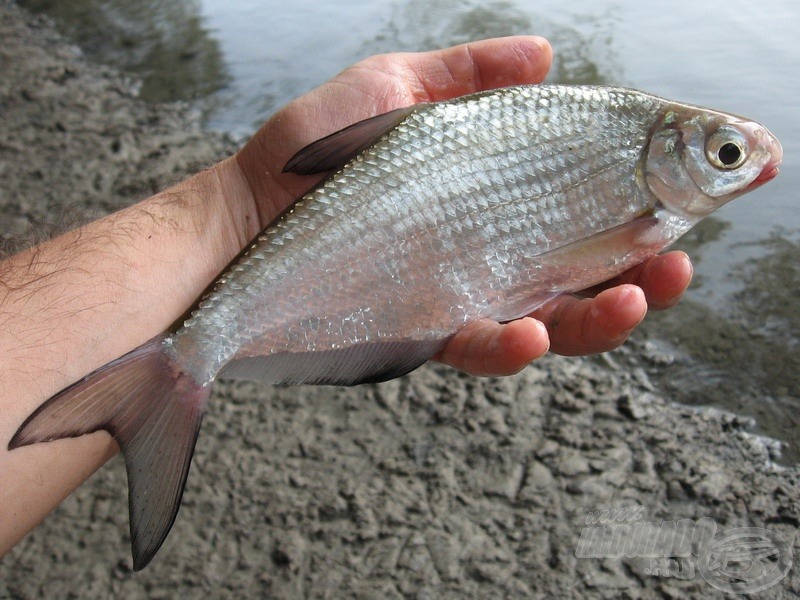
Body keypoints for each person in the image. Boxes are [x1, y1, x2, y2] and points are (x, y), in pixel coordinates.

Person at [0, 36, 692, 557]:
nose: (743, 168)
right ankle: (172, 372)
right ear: (665, 153)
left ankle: (169, 371)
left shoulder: (625, 164)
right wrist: (243, 199)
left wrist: (240, 201)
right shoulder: (636, 192)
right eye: (726, 156)